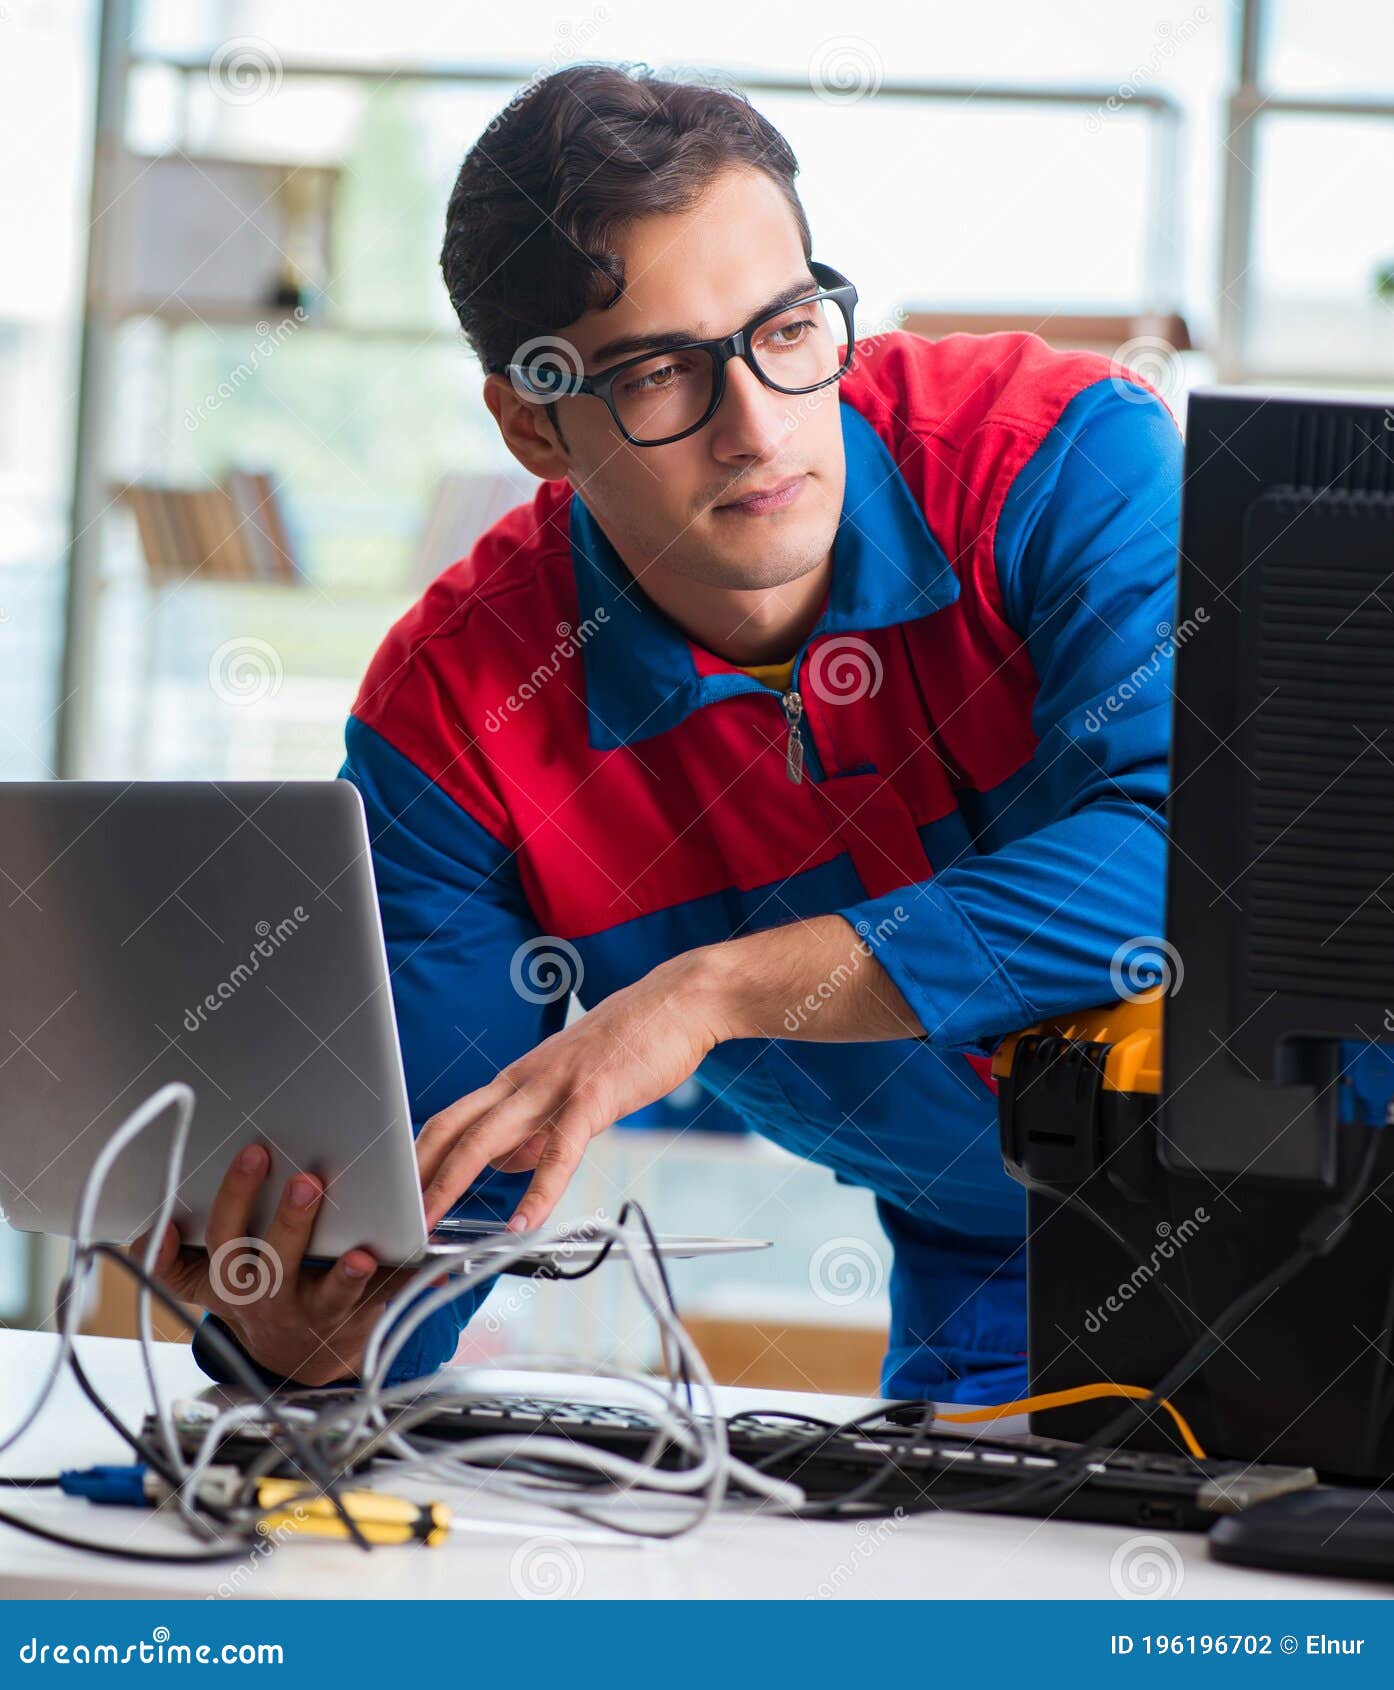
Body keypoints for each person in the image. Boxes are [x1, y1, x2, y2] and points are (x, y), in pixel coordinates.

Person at [154, 63, 1182, 1400]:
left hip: (1338, 1197)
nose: (757, 429)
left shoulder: (1057, 459)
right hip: (992, 1268)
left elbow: (1179, 869)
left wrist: (705, 994)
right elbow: (430, 1219)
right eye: (656, 374)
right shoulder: (461, 711)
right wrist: (306, 1339)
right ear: (533, 423)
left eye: (788, 327)